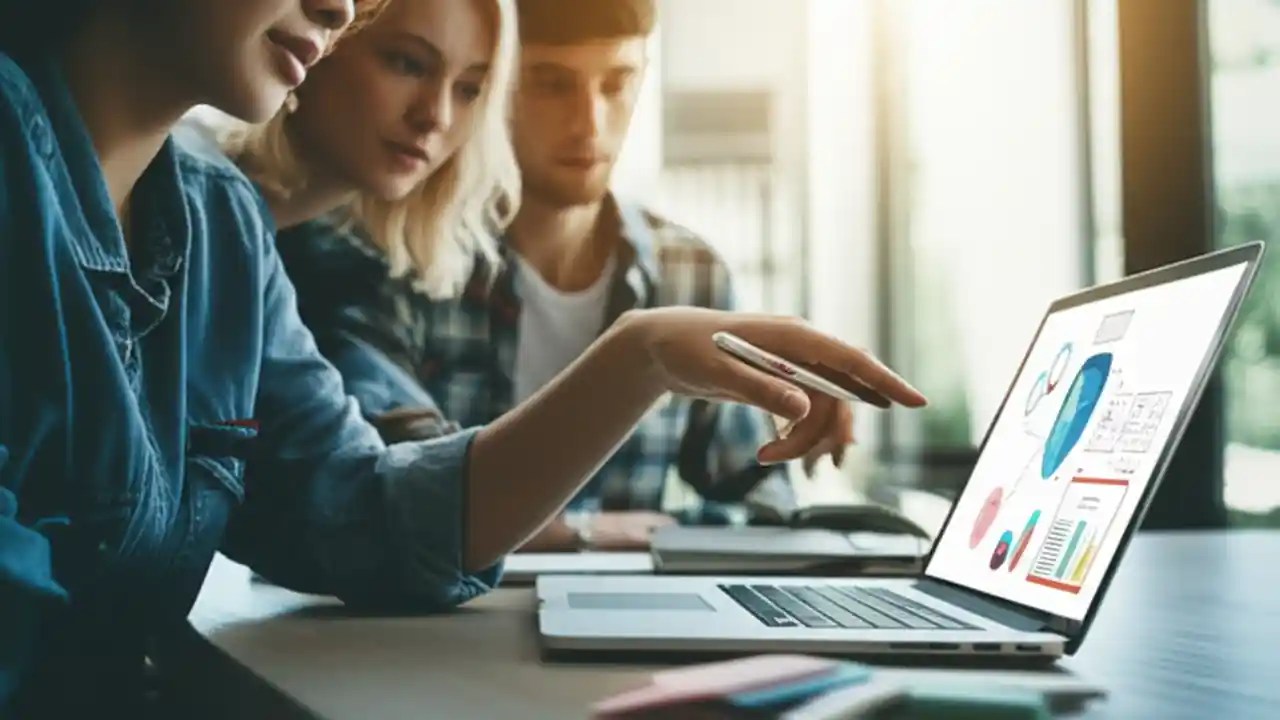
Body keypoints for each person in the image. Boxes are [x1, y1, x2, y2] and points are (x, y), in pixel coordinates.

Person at [0, 0, 925, 716]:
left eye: (474, 85)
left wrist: (638, 358)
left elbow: (362, 514)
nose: (341, 6)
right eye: (406, 60)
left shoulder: (223, 226)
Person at [260, 0, 847, 553]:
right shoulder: (395, 254)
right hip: (431, 624)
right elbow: (401, 495)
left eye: (617, 84)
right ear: (502, 87)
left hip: (619, 625)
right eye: (550, 83)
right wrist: (591, 531)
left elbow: (762, 504)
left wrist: (666, 531)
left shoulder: (689, 276)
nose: (589, 122)